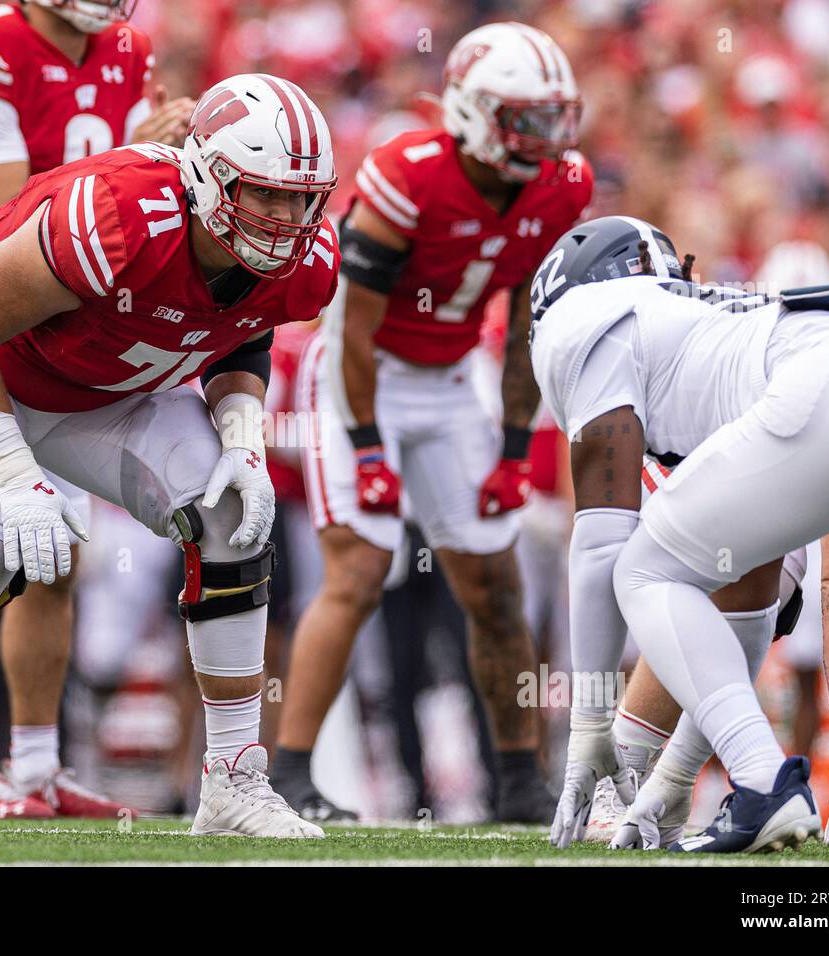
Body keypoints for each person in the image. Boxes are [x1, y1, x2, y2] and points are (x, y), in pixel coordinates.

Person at [0, 73, 340, 837]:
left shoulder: (306, 258)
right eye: (266, 195)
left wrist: (242, 435)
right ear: (209, 178)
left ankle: (233, 781)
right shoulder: (118, 214)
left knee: (228, 517)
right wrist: (16, 475)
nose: (288, 218)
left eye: (301, 197)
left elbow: (247, 324)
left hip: (99, 389)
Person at [273, 22, 591, 822]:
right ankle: (290, 774)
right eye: (527, 118)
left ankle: (517, 779)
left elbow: (526, 325)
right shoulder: (406, 175)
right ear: (475, 111)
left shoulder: (560, 185)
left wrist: (516, 448)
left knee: (496, 586)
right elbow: (350, 326)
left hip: (452, 380)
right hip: (363, 371)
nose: (546, 138)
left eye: (555, 118)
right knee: (357, 573)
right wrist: (368, 448)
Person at [531, 215, 829, 852]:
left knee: (643, 569)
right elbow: (746, 602)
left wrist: (590, 721)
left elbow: (604, 541)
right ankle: (758, 785)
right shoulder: (709, 336)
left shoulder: (579, 321)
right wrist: (675, 777)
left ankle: (766, 788)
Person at [0, 0, 194, 819]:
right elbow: (6, 218)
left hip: (54, 338)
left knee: (56, 559)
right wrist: (141, 152)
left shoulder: (125, 46)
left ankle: (37, 766)